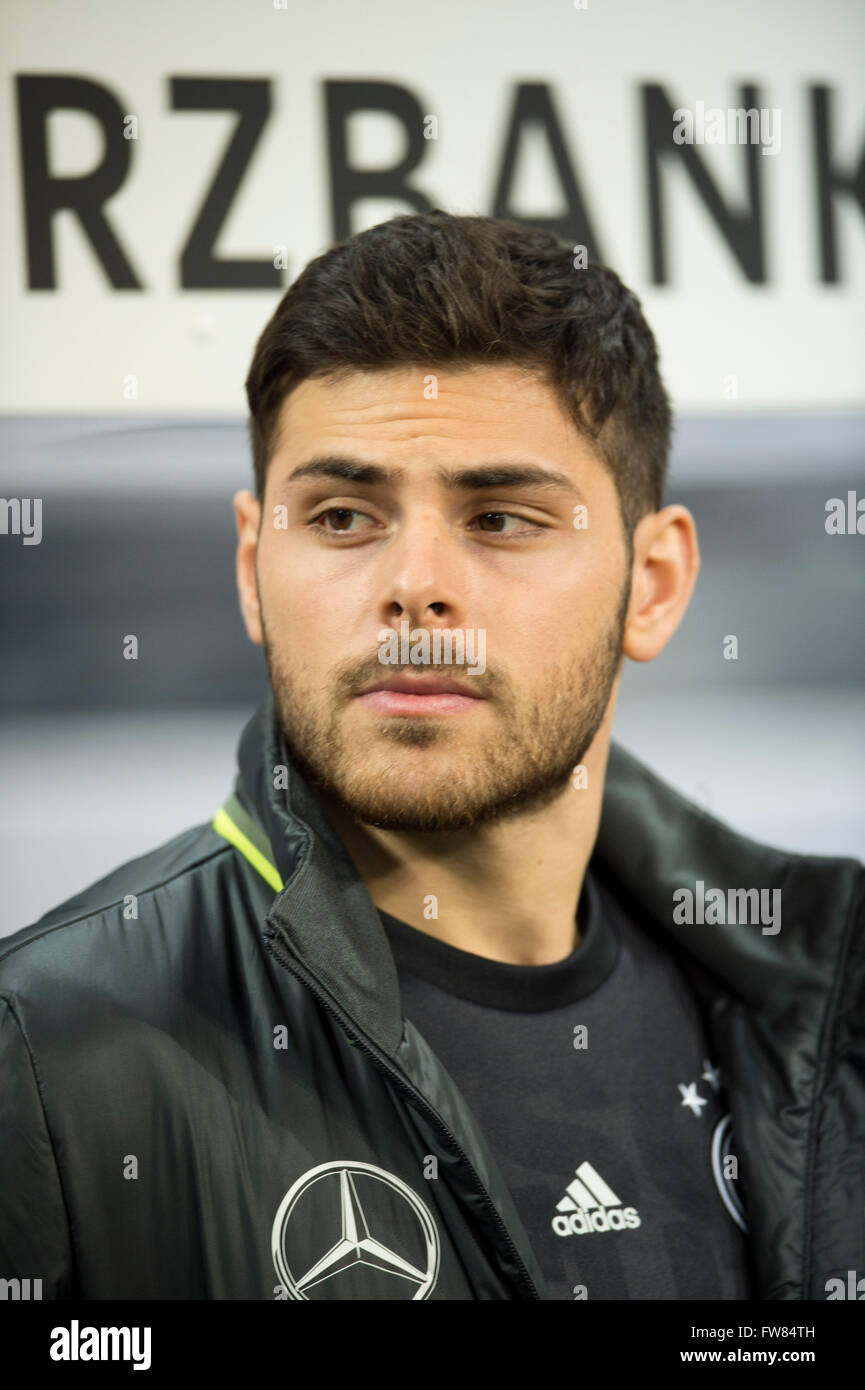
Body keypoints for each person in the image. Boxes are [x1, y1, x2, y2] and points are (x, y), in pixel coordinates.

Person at [1, 211, 862, 1302]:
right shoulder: (42, 1049)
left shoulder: (828, 996)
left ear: (652, 585)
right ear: (252, 563)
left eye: (501, 518)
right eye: (345, 515)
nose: (415, 586)